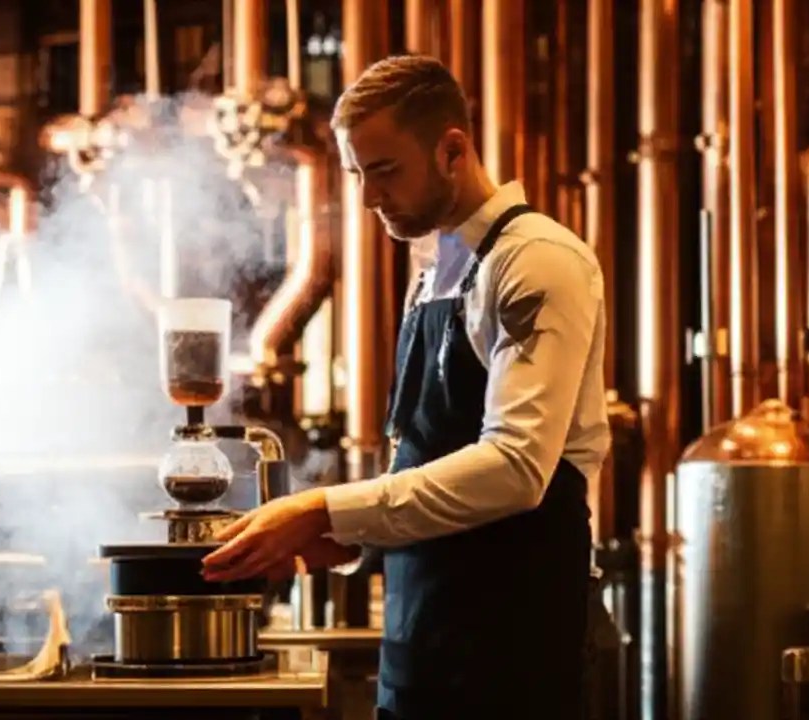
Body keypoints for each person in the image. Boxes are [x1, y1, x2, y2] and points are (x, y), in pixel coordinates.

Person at [201, 54, 610, 719]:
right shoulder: (434, 272)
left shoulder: (538, 260)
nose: (367, 198)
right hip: (418, 649)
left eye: (384, 170)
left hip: (509, 659)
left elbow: (516, 468)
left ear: (452, 149)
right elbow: (423, 458)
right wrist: (348, 539)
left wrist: (324, 507)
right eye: (357, 174)